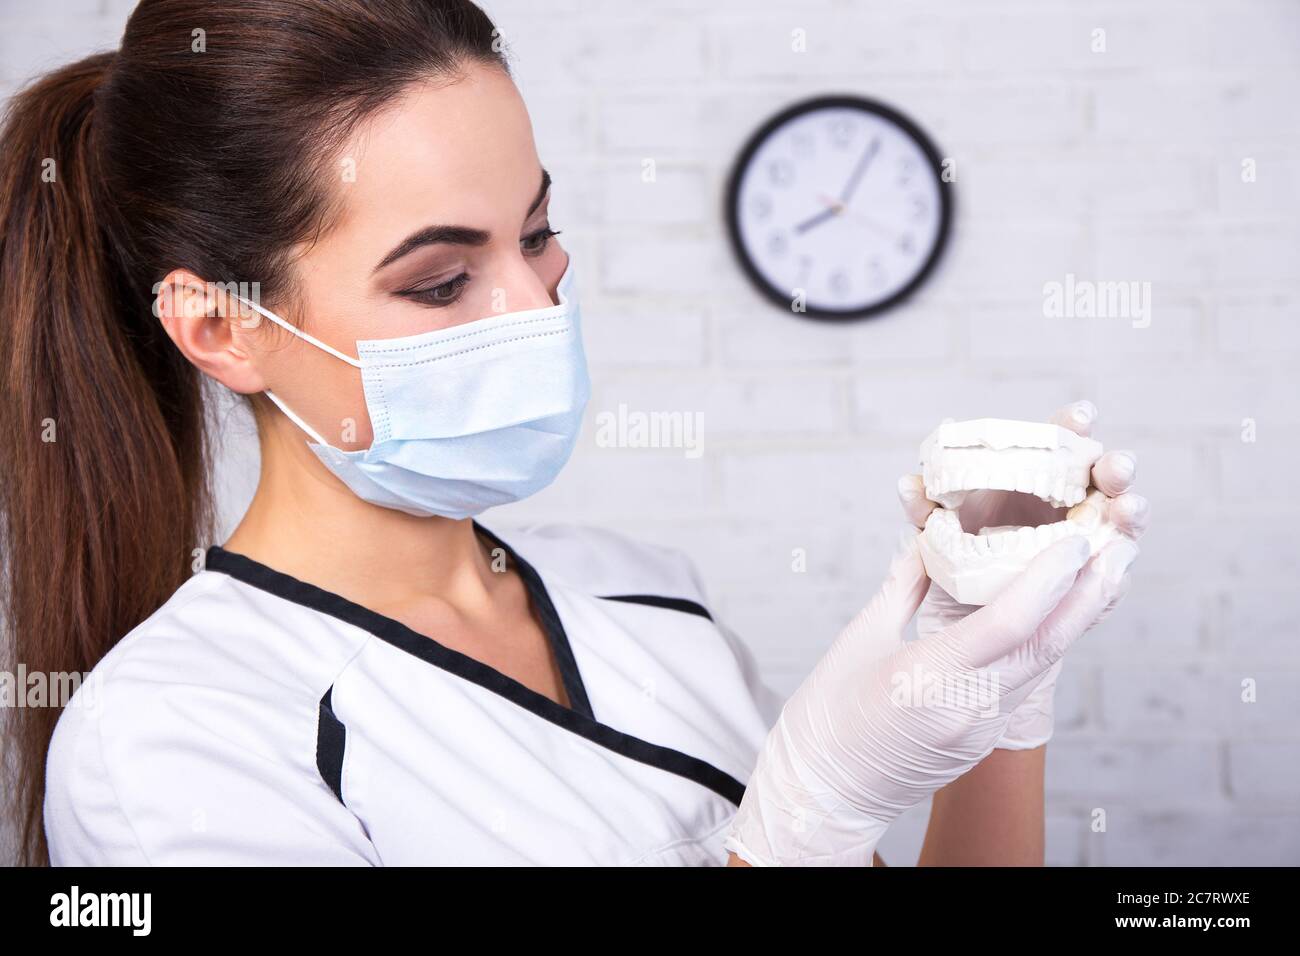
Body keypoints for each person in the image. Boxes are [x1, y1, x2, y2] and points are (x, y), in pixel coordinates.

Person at [0, 0, 1147, 866]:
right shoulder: (171, 742)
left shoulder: (646, 600)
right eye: (442, 281)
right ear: (220, 327)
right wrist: (798, 824)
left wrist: (999, 675)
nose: (537, 304)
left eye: (537, 232)